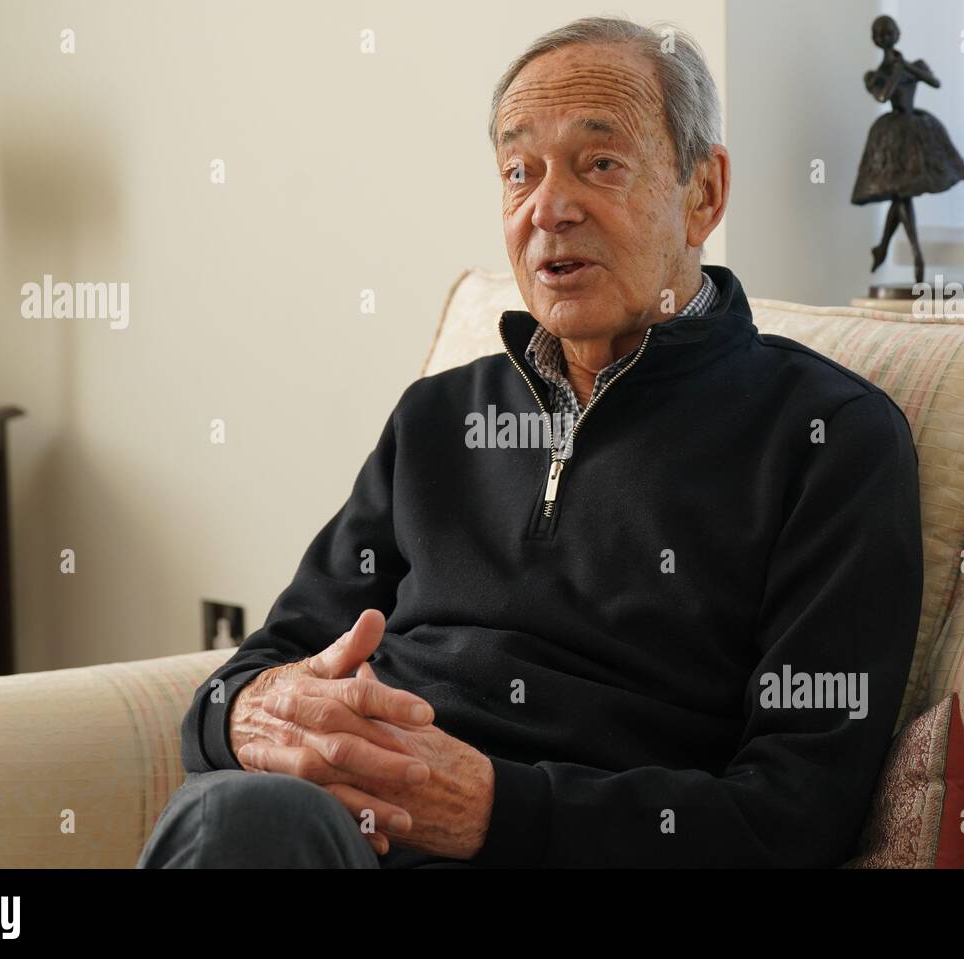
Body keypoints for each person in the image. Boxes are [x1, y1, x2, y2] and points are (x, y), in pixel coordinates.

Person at [138, 15, 923, 870]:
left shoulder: (829, 439)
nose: (549, 207)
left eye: (601, 164)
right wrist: (253, 710)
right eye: (520, 171)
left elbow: (796, 816)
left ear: (704, 193)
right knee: (241, 816)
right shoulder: (437, 417)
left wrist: (489, 809)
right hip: (330, 839)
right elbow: (261, 667)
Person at [851, 14, 964, 282]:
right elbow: (883, 96)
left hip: (916, 130)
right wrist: (896, 70)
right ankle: (913, 255)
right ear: (875, 39)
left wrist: (905, 65)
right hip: (892, 134)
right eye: (880, 34)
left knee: (902, 195)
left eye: (889, 32)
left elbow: (934, 82)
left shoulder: (913, 65)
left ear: (897, 35)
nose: (885, 37)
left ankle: (887, 248)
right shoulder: (874, 75)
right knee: (901, 195)